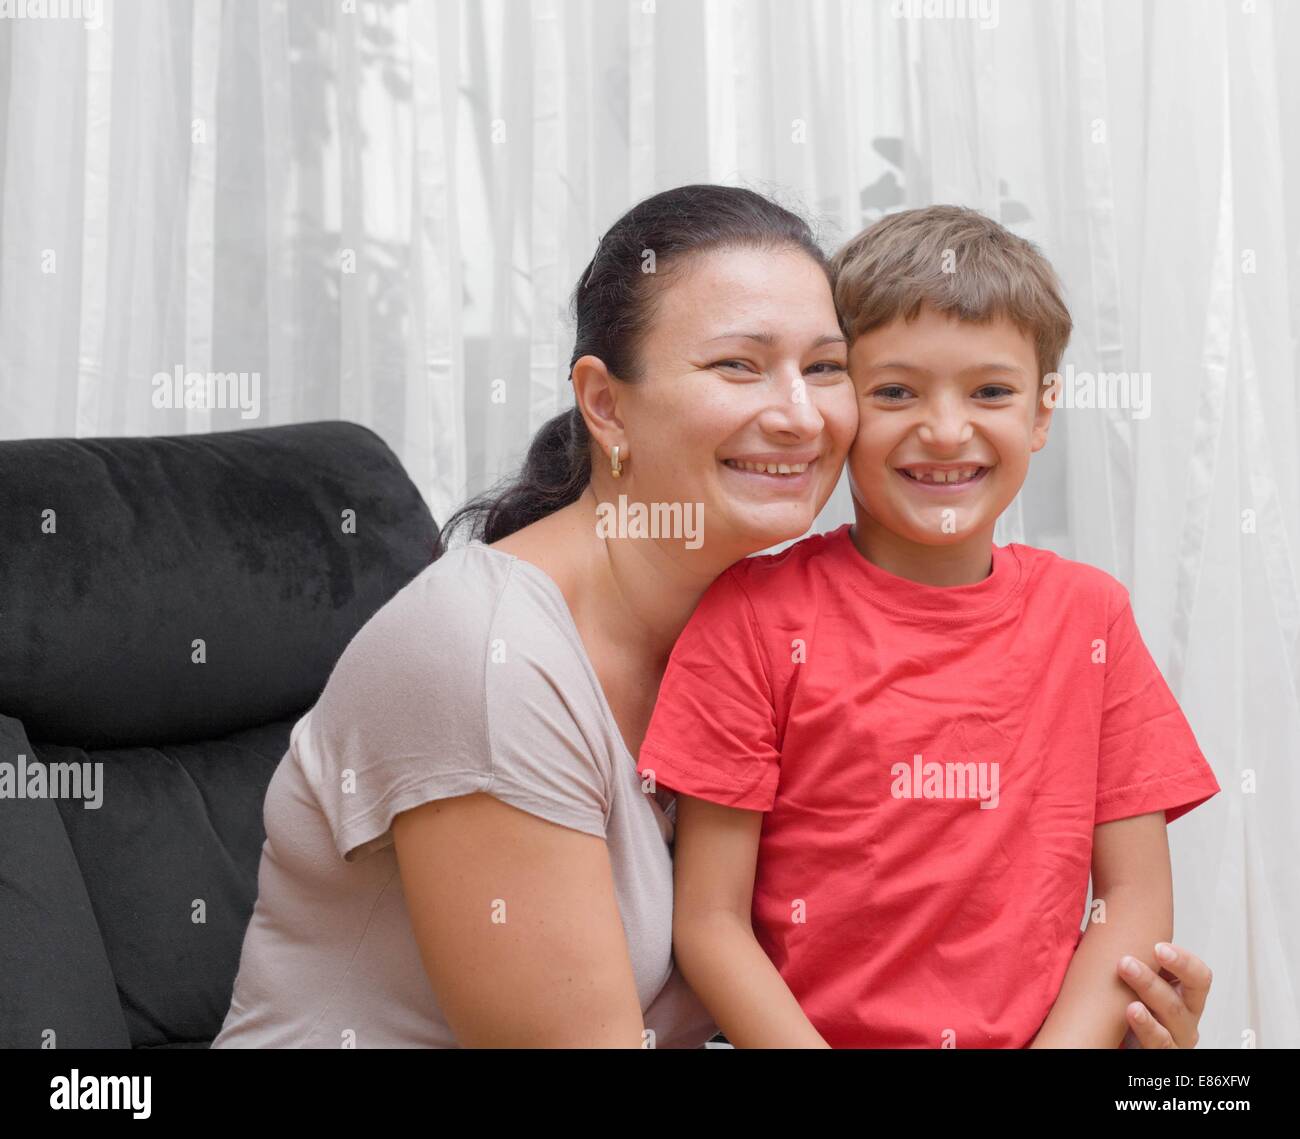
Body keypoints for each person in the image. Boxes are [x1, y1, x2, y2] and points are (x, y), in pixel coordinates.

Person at [212, 186, 1212, 1048]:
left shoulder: (754, 622)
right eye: (738, 365)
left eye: (824, 368)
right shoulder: (482, 656)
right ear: (604, 406)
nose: (799, 413)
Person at [635, 204, 1221, 1048]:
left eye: (990, 391)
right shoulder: (752, 617)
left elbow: (1131, 900)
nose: (946, 431)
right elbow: (712, 922)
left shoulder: (1091, 616)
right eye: (896, 392)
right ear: (841, 403)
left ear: (1043, 411)